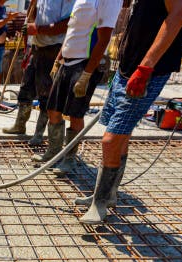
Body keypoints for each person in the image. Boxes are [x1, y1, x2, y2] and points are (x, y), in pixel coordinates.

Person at [79, 0, 182, 224]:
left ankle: (100, 203)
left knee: (110, 139)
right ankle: (107, 193)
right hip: (127, 68)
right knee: (121, 134)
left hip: (146, 72)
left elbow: (180, 15)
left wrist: (145, 67)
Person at [32, 0, 121, 173]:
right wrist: (59, 59)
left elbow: (103, 39)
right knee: (53, 109)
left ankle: (69, 159)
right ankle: (54, 152)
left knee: (75, 113)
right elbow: (71, 31)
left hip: (84, 64)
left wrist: (87, 74)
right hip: (67, 61)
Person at [2, 0, 74, 146]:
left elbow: (68, 23)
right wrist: (33, 7)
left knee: (46, 94)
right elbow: (33, 18)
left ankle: (39, 133)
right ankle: (20, 125)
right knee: (26, 88)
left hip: (53, 49)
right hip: (37, 47)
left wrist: (38, 29)